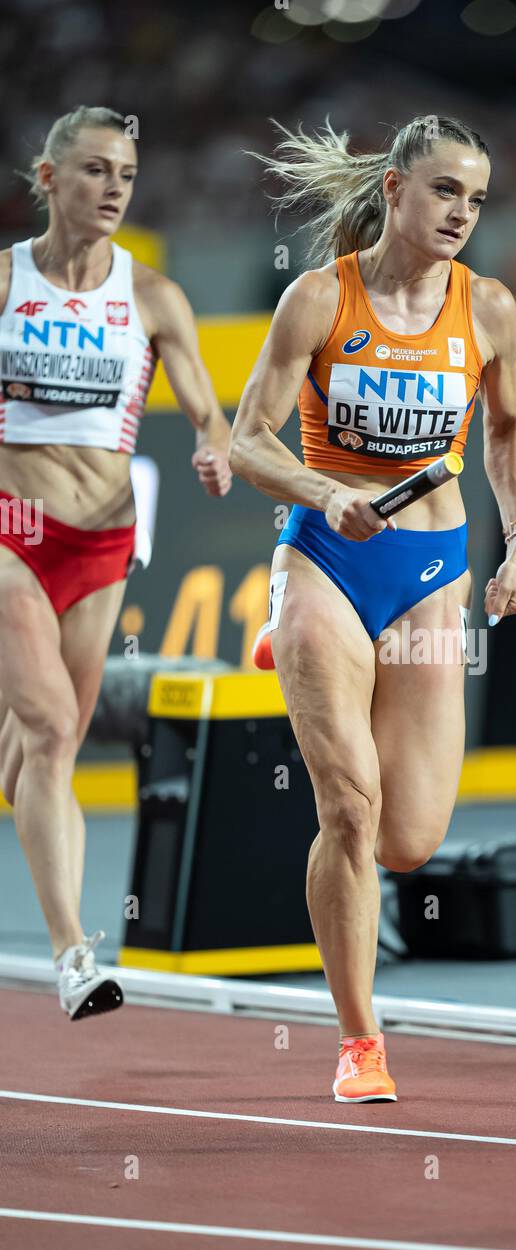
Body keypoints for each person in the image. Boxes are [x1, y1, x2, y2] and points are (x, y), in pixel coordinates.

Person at [231, 114, 516, 1101]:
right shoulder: (320, 298)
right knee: (348, 810)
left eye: (475, 198)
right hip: (323, 555)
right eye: (445, 190)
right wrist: (324, 494)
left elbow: (504, 431)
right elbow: (246, 441)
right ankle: (361, 1041)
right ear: (395, 191)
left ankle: (326, 682)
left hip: (431, 569)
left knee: (408, 837)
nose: (461, 213)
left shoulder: (487, 309)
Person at [0, 106, 232, 1020]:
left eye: (126, 175)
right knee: (54, 729)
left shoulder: (153, 297)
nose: (112, 189)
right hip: (11, 527)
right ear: (50, 178)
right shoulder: (5, 282)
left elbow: (208, 412)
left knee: (31, 754)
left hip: (103, 543)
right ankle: (72, 955)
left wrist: (213, 447)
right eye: (94, 171)